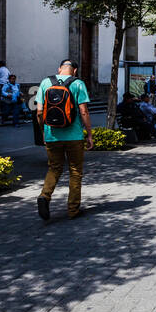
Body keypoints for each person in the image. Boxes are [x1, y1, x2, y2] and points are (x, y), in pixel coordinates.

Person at [37, 58, 93, 220]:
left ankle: (44, 196)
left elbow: (39, 112)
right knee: (75, 171)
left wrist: (43, 131)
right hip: (74, 136)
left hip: (52, 134)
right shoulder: (77, 83)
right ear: (74, 70)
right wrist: (89, 134)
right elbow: (84, 112)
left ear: (59, 69)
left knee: (54, 168)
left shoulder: (45, 82)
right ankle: (73, 209)